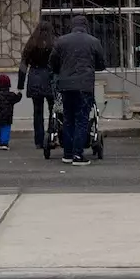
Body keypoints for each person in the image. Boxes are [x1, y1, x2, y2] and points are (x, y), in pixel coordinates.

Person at [48, 15, 106, 166]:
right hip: (84, 85)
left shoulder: (61, 41)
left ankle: (67, 153)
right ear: (85, 26)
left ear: (72, 26)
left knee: (68, 119)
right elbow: (101, 64)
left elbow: (52, 62)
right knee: (81, 120)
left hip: (66, 85)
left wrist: (61, 71)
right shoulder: (93, 41)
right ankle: (78, 155)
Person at [18, 25, 56, 150]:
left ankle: (39, 140)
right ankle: (51, 136)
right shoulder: (54, 44)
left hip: (35, 78)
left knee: (37, 111)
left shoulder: (31, 44)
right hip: (50, 79)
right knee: (53, 110)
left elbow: (23, 65)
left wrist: (20, 85)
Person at [0, 74, 22, 150]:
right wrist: (19, 93)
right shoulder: (11, 95)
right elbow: (18, 98)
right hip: (8, 115)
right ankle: (4, 143)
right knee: (6, 128)